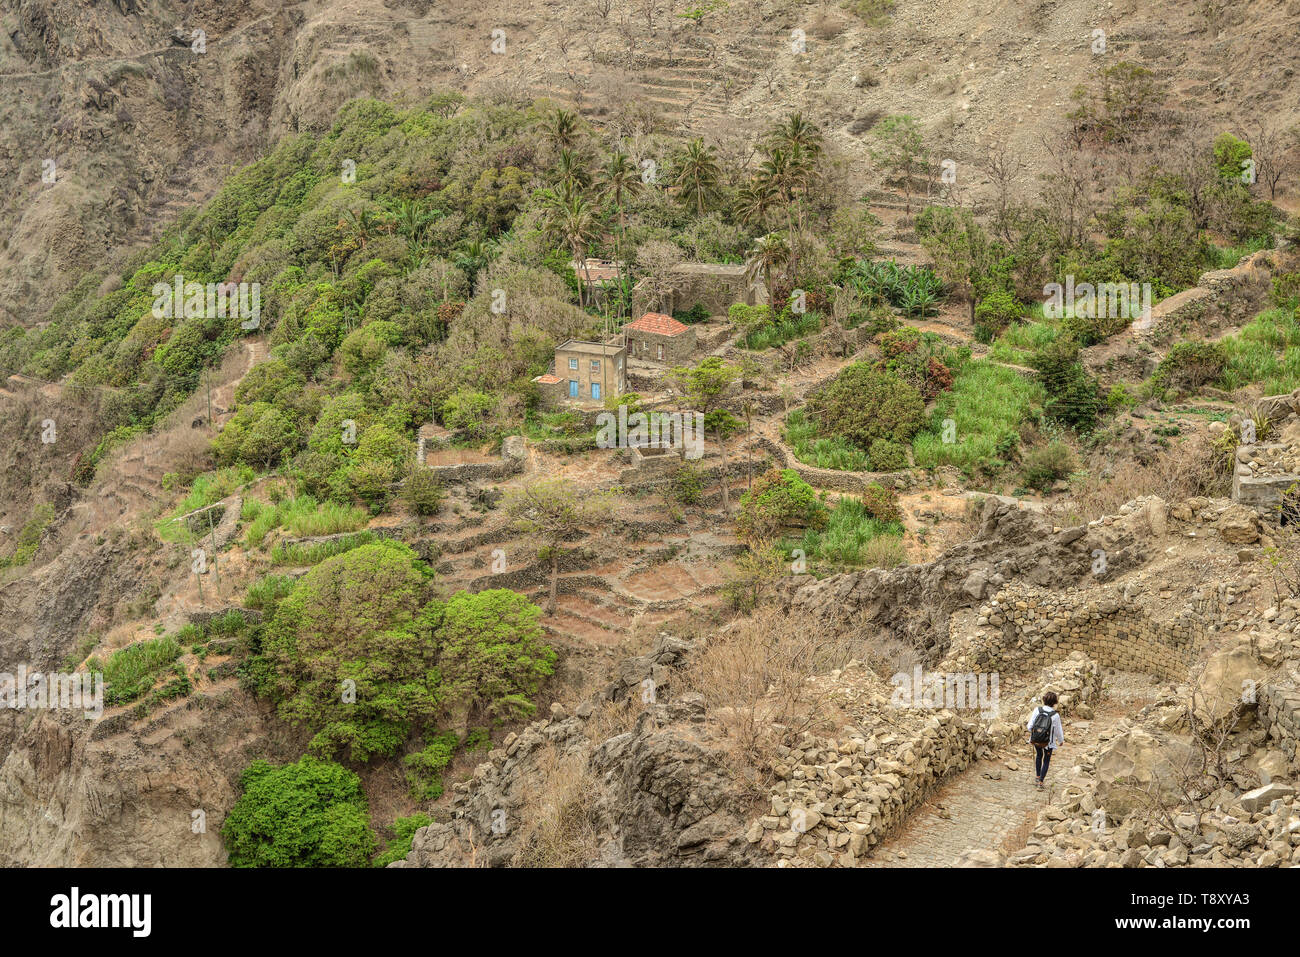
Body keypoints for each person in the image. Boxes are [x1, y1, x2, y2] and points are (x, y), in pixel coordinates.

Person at [1026, 691, 1064, 789]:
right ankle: (1041, 782)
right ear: (1054, 702)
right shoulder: (1055, 715)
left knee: (1039, 756)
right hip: (1048, 742)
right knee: (1046, 760)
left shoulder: (1037, 710)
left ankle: (1037, 776)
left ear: (1044, 700)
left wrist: (1035, 734)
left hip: (1036, 739)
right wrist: (1060, 740)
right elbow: (1058, 730)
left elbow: (1030, 726)